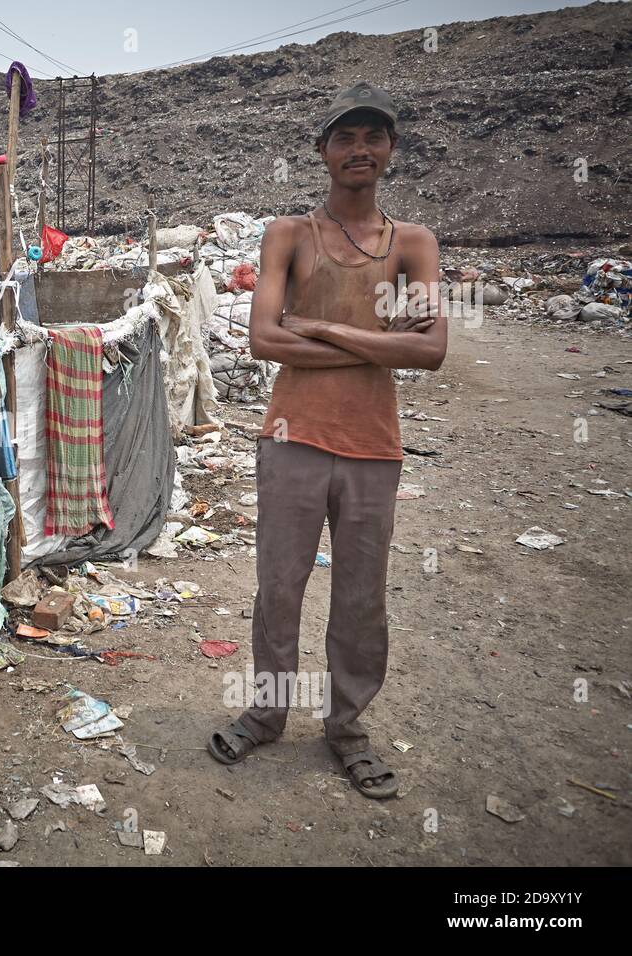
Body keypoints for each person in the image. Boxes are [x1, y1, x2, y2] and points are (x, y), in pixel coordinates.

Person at [207, 82, 446, 799]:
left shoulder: (412, 243)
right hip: (292, 436)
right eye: (345, 138)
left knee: (361, 596)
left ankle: (347, 729)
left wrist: (323, 330)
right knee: (279, 587)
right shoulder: (288, 233)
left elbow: (432, 349)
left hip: (373, 443)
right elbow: (260, 338)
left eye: (373, 137)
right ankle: (267, 713)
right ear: (322, 152)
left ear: (391, 151)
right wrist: (379, 343)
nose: (360, 150)